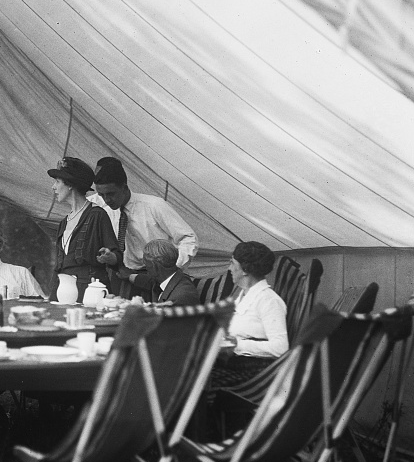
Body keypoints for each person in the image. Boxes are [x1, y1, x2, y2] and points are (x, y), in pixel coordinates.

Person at [90, 158, 199, 299]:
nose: (107, 200)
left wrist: (171, 271)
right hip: (124, 277)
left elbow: (189, 238)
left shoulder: (154, 206)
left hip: (157, 279)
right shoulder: (105, 210)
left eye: (111, 194)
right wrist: (111, 257)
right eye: (102, 195)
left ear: (124, 187)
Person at [210, 241, 288, 388]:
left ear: (245, 269)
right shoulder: (243, 296)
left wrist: (237, 344)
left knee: (198, 382)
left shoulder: (269, 300)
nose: (229, 268)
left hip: (253, 372)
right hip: (234, 363)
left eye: (232, 263)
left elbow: (280, 347)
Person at [46, 157, 118, 302]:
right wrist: (52, 298)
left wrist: (110, 256)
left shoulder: (97, 215)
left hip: (89, 293)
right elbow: (59, 268)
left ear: (70, 184)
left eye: (57, 182)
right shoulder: (64, 222)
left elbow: (117, 255)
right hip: (63, 292)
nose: (53, 187)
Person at [134, 239, 200, 306]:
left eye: (146, 265)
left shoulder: (179, 297)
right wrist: (128, 276)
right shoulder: (174, 278)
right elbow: (144, 280)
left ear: (155, 267)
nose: (146, 268)